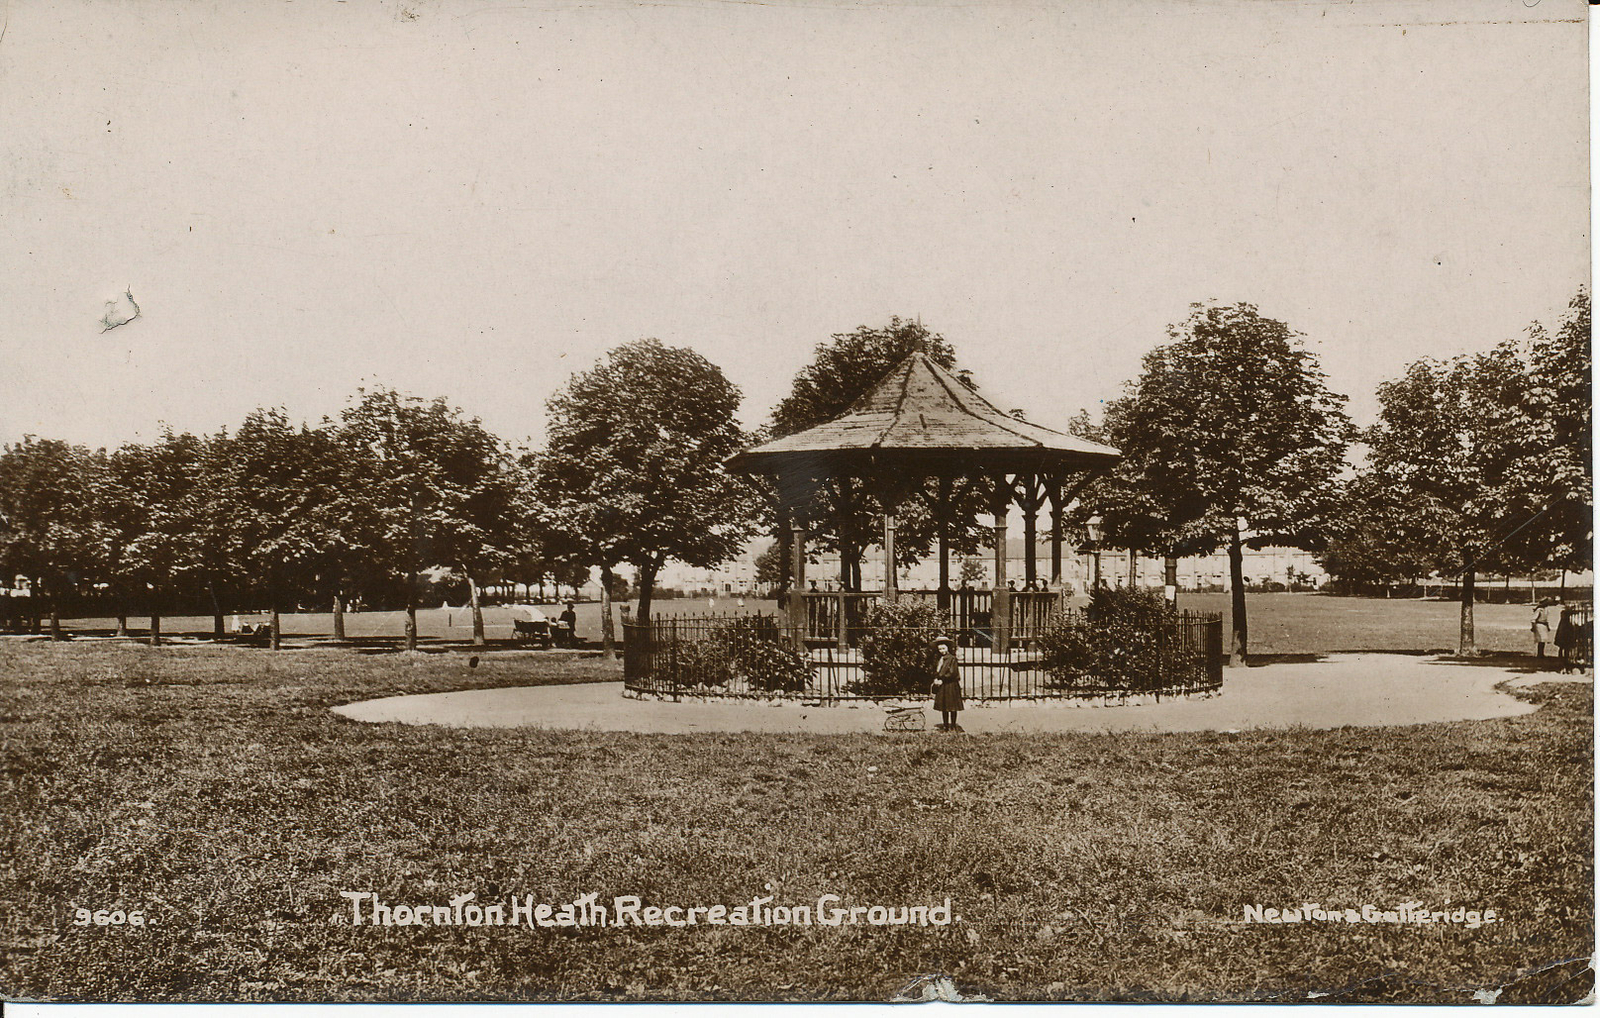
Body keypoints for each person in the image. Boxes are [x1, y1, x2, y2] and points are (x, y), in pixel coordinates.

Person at [930, 636, 963, 732]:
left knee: (952, 707)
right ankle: (945, 726)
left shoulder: (952, 659)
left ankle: (953, 725)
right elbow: (936, 670)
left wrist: (942, 679)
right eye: (940, 649)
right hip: (942, 686)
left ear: (947, 648)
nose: (942, 651)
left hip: (950, 684)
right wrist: (936, 678)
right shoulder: (939, 659)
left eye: (943, 648)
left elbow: (953, 673)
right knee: (944, 706)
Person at [1554, 605, 1578, 673]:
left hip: (1565, 633)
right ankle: (1563, 666)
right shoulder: (1565, 615)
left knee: (1565, 650)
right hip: (1565, 633)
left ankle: (1564, 665)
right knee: (1563, 649)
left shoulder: (1565, 616)